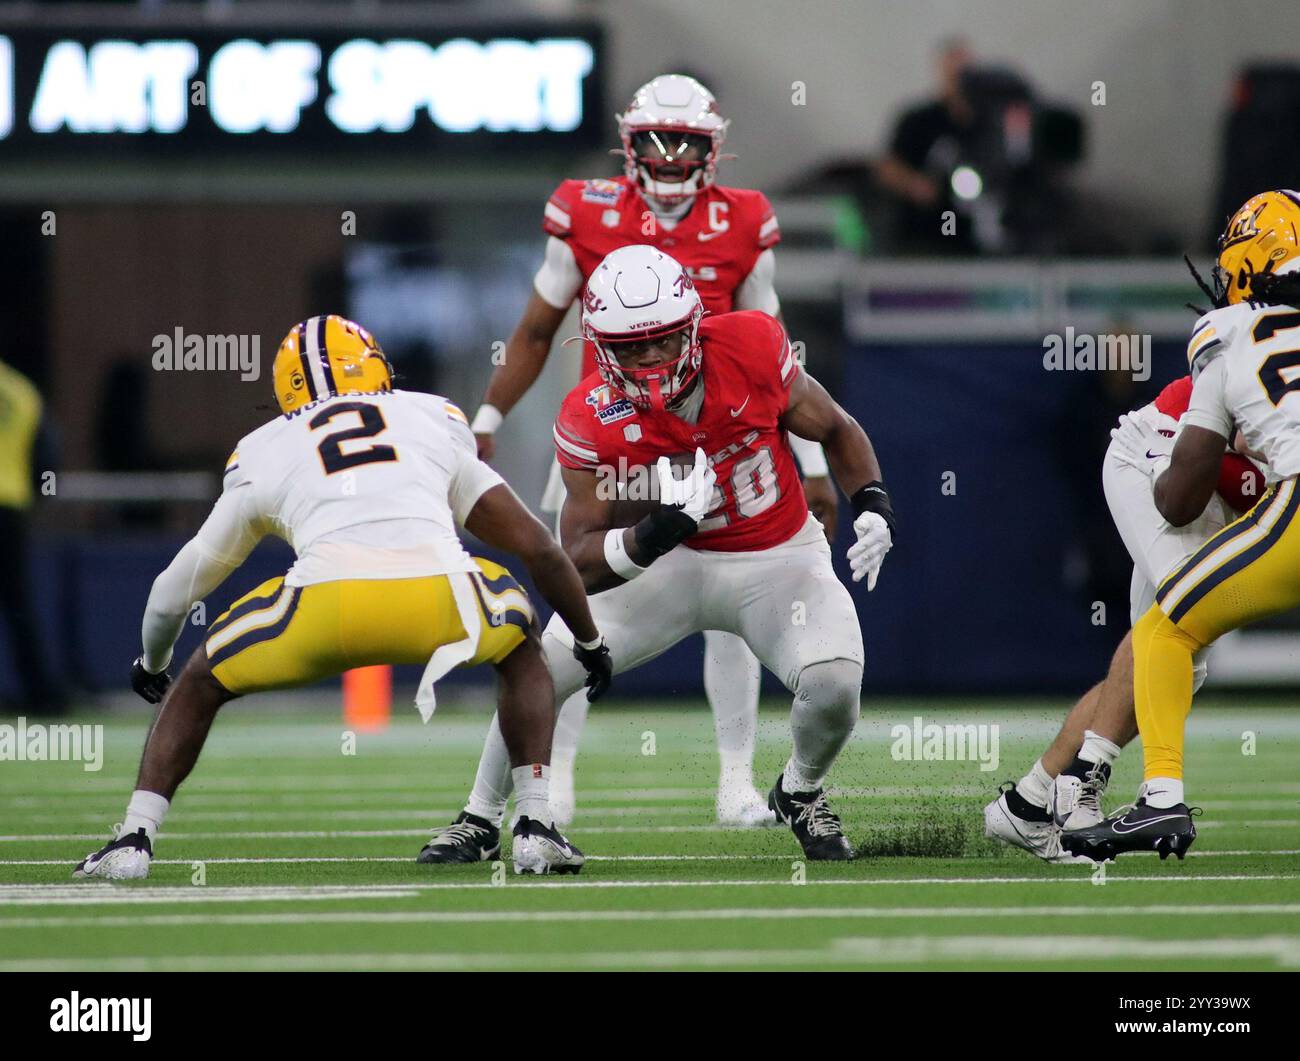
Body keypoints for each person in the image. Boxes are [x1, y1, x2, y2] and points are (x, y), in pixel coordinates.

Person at [73, 315, 611, 880]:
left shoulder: (264, 447)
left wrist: (152, 662)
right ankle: (532, 825)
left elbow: (172, 592)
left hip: (324, 612)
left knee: (201, 680)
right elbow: (539, 549)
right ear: (376, 365)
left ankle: (134, 838)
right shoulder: (432, 415)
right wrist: (589, 638)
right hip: (442, 602)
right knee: (520, 641)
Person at [425, 246, 894, 863]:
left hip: (774, 555)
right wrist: (654, 533)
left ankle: (800, 790)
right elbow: (579, 557)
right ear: (599, 344)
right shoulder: (591, 413)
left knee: (834, 684)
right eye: (629, 346)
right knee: (538, 666)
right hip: (662, 567)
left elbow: (834, 426)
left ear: (694, 327)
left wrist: (873, 502)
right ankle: (481, 817)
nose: (648, 357)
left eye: (664, 341)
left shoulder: (752, 344)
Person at [466, 73, 836, 827]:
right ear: (627, 146)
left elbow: (779, 355)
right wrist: (487, 412)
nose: (668, 160)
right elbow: (537, 329)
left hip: (715, 438)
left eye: (684, 145)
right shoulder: (588, 210)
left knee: (732, 597)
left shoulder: (744, 222)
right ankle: (553, 776)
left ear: (715, 150)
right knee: (576, 599)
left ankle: (736, 779)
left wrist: (817, 461)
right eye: (654, 144)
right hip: (609, 438)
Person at [1064, 190, 1300, 861]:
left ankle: (1160, 802)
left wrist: (1172, 478)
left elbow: (1180, 495)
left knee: (1169, 623)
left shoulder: (1224, 333)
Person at [984, 373, 1263, 862]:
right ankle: (1084, 779)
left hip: (1209, 489)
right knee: (1178, 624)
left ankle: (1028, 801)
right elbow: (1246, 438)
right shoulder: (1258, 337)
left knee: (1169, 662)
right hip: (1161, 461)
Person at [0, 356, 64, 714]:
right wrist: (35, 497)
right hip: (11, 507)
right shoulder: (22, 391)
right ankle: (41, 694)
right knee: (19, 606)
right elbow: (47, 455)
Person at [874, 38, 977, 253]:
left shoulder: (984, 123)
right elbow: (888, 168)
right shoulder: (917, 120)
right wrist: (915, 185)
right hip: (922, 238)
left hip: (973, 239)